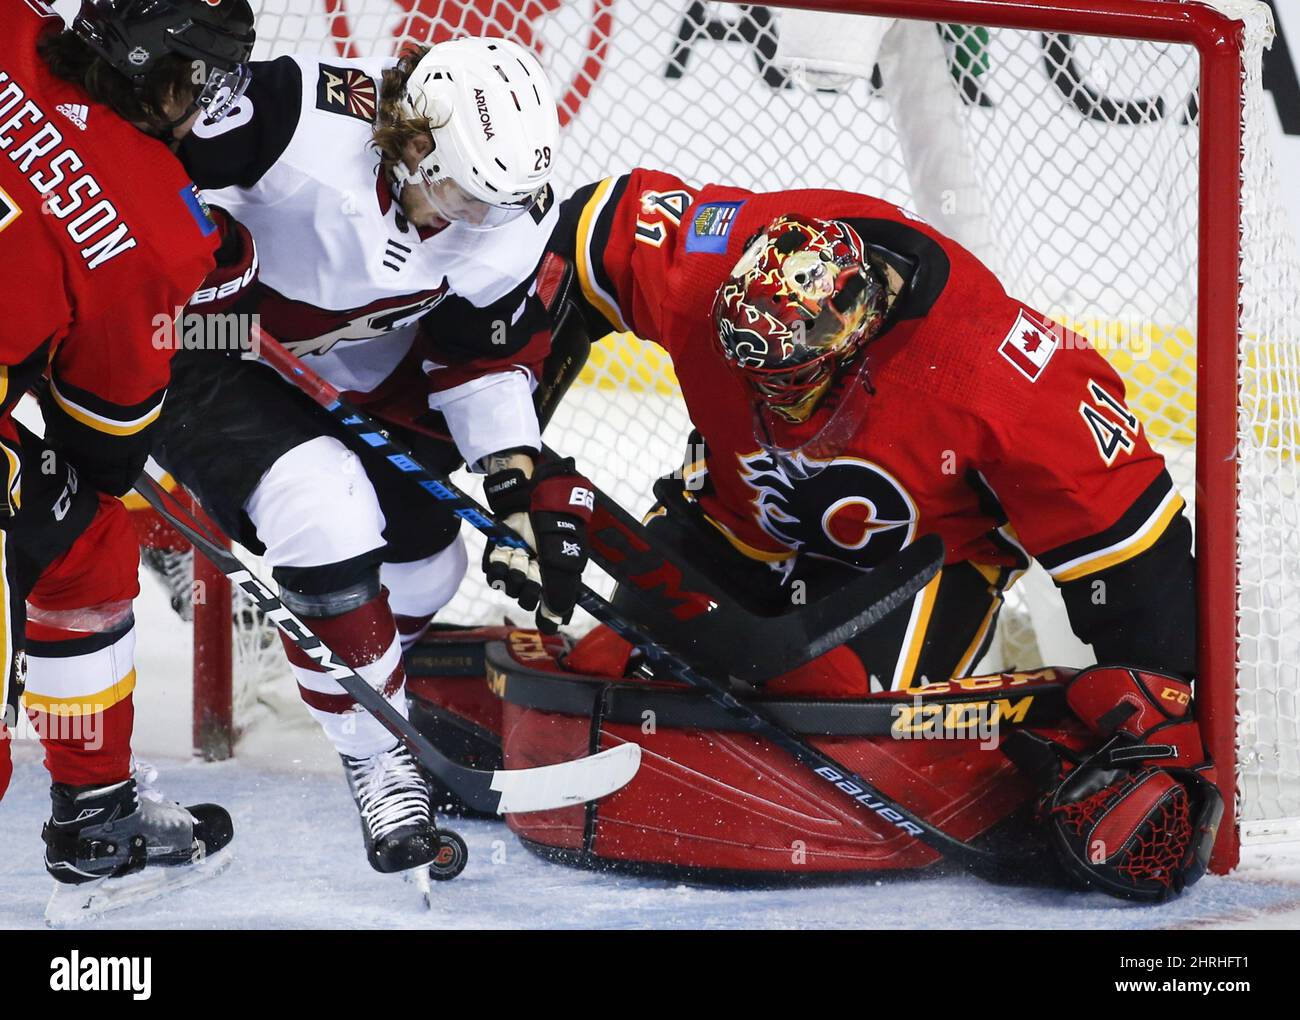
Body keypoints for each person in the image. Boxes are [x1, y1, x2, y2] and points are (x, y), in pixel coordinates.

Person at [524, 169, 1218, 897]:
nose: (771, 401)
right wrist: (507, 425)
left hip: (917, 562)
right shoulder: (703, 262)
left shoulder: (998, 369)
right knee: (599, 684)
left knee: (826, 726)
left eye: (788, 377)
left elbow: (1133, 543)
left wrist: (1152, 707)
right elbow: (577, 238)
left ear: (855, 334)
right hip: (734, 518)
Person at [147, 36, 595, 873]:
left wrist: (514, 486)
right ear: (416, 146)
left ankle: (339, 659)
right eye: (465, 194)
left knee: (427, 567)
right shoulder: (298, 121)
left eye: (497, 203)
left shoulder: (501, 216)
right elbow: (129, 166)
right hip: (206, 341)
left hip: (342, 374)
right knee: (326, 504)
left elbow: (478, 356)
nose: (480, 222)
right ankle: (377, 754)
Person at [0, 0, 253, 918]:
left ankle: (100, 809)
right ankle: (95, 816)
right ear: (169, 76)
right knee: (91, 526)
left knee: (75, 542)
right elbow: (103, 443)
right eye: (209, 80)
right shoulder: (153, 218)